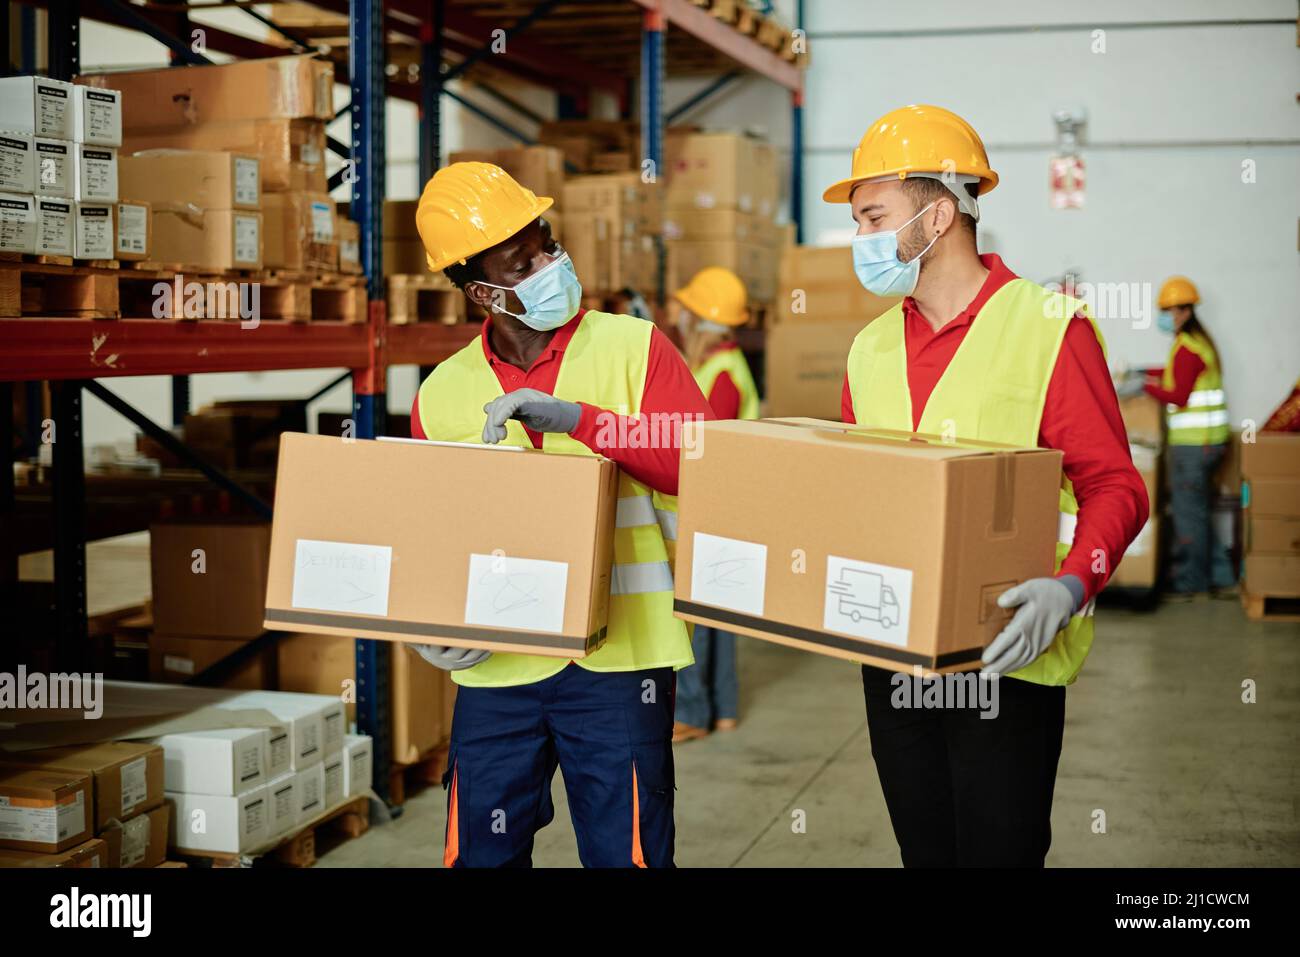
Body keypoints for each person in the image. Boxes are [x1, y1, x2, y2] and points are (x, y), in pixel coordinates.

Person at [826, 104, 1149, 866]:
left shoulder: (1047, 327)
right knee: (925, 851)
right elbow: (850, 490)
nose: (861, 240)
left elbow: (1116, 486)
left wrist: (1070, 588)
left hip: (1009, 657)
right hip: (895, 659)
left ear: (937, 214)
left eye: (873, 216)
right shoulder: (869, 347)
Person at [409, 162, 714, 867]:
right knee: (479, 858)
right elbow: (427, 531)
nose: (550, 264)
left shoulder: (633, 346)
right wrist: (422, 626)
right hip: (494, 672)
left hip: (620, 663)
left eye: (547, 244)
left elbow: (701, 467)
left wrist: (584, 420)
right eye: (525, 261)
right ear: (484, 292)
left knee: (628, 856)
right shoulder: (443, 391)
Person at [668, 266, 760, 742]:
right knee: (718, 613)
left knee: (694, 612)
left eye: (685, 309)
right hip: (720, 503)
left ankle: (692, 711)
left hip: (712, 505)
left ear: (701, 319)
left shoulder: (722, 372)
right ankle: (722, 708)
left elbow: (706, 445)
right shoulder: (715, 363)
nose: (677, 316)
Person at [1140, 277, 1234, 597]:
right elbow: (1174, 376)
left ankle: (1192, 582)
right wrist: (1146, 373)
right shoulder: (1192, 345)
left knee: (1187, 514)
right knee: (1199, 511)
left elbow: (1178, 394)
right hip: (1207, 443)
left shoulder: (1187, 348)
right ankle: (1220, 574)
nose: (1164, 316)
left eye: (1169, 310)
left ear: (1185, 311)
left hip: (1195, 446)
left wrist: (1142, 387)